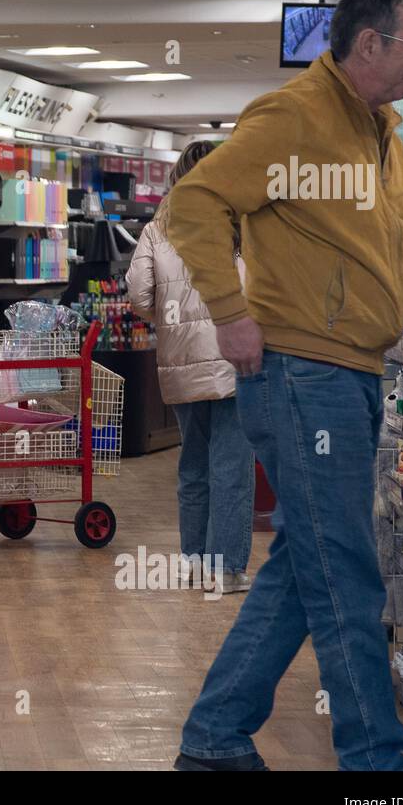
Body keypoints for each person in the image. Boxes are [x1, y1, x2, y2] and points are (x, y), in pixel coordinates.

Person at [165, 0, 403, 772]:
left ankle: (216, 737)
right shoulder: (295, 117)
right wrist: (228, 311)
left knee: (308, 564)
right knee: (349, 579)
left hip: (349, 375)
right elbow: (193, 205)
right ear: (369, 43)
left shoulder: (383, 132)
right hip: (302, 375)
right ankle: (377, 766)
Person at [127, 140, 253, 594]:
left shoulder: (158, 228)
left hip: (179, 362)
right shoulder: (245, 223)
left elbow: (140, 296)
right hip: (238, 359)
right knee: (232, 467)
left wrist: (173, 321)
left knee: (193, 465)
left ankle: (195, 563)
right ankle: (226, 569)